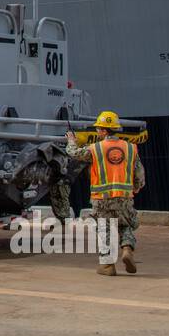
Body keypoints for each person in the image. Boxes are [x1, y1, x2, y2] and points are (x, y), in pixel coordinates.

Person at [65, 111, 145, 275]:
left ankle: (108, 266)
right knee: (125, 225)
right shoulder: (130, 148)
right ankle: (127, 248)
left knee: (104, 228)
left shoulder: (95, 149)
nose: (97, 132)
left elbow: (74, 153)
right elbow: (139, 173)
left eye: (98, 129)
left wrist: (71, 141)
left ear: (102, 131)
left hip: (102, 198)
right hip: (124, 196)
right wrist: (137, 186)